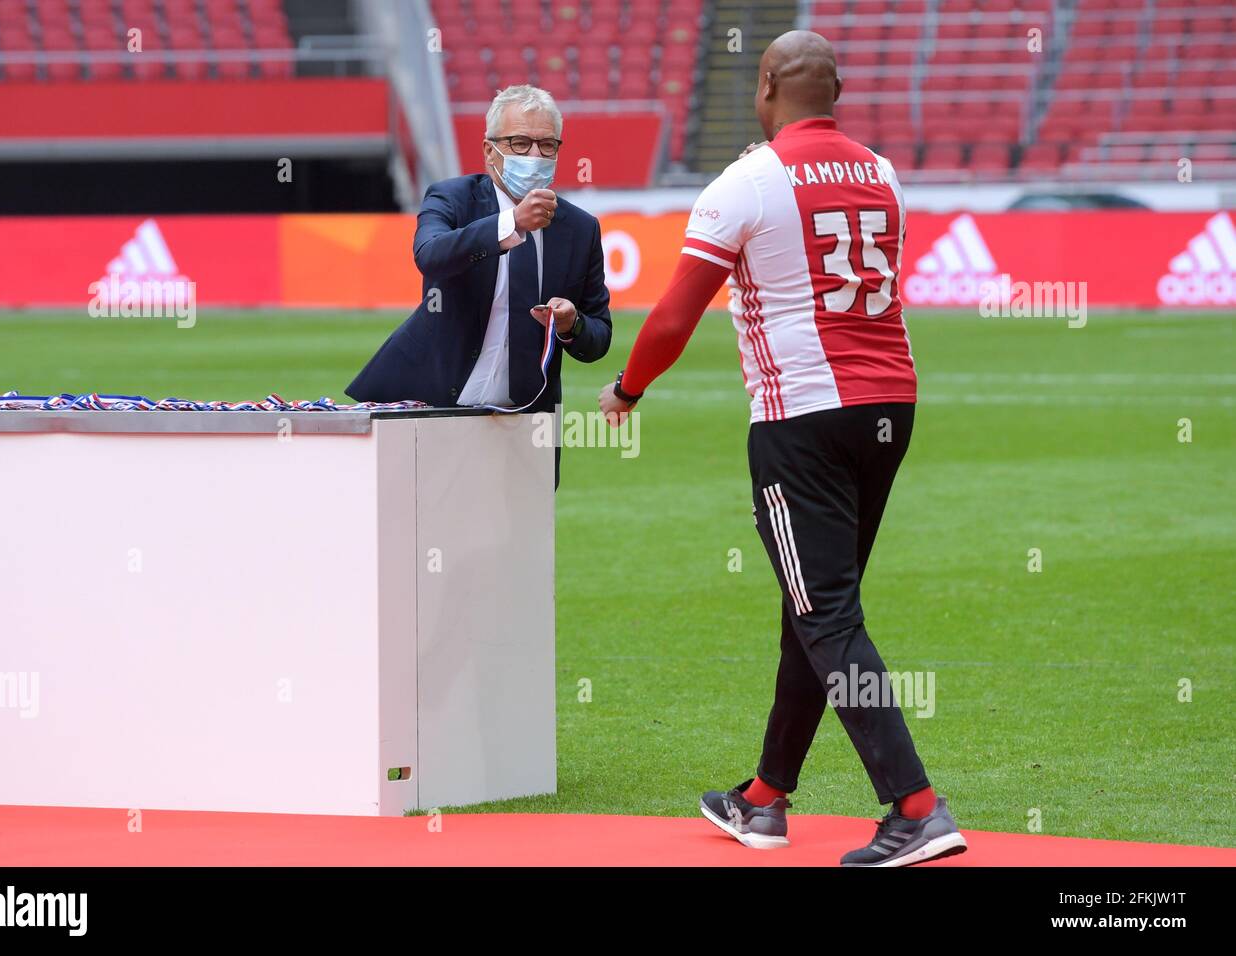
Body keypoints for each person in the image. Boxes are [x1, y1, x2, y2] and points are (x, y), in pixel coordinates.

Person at [598, 31, 967, 866]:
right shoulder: (883, 172)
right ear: (836, 92)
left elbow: (675, 312)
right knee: (813, 606)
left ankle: (917, 807)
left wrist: (627, 389)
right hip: (890, 407)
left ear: (765, 85)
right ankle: (764, 797)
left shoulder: (748, 182)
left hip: (801, 417)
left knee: (827, 613)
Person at [346, 85, 611, 485]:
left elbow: (600, 336)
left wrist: (572, 324)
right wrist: (512, 224)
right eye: (520, 143)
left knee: (518, 544)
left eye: (547, 145)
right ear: (490, 151)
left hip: (525, 422)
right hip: (435, 409)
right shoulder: (452, 199)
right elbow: (430, 255)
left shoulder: (580, 228)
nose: (534, 156)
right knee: (421, 537)